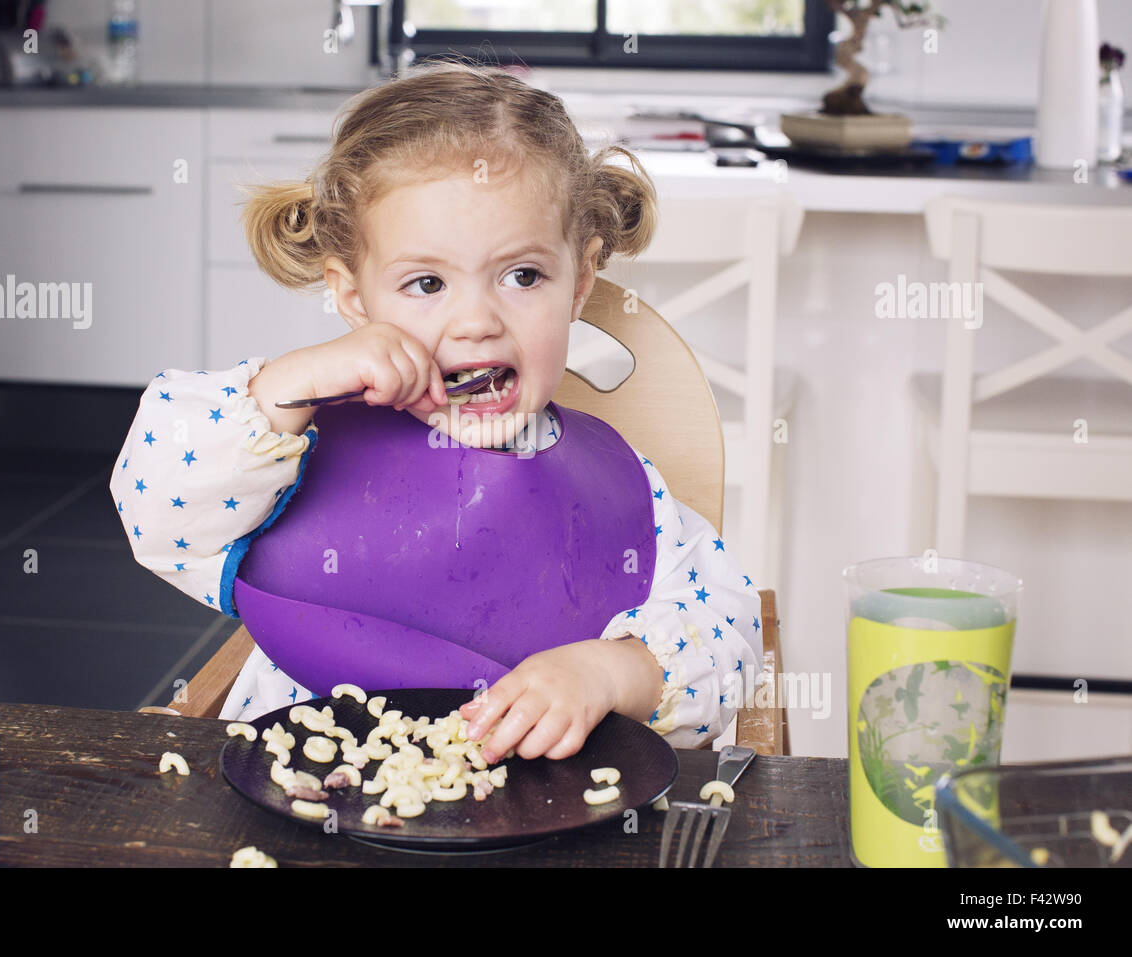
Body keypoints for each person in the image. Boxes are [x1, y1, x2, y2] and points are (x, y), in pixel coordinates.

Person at [110, 60, 762, 761]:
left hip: (544, 817)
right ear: (354, 297)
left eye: (523, 276)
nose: (476, 321)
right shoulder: (286, 449)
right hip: (303, 803)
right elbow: (159, 514)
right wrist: (281, 385)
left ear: (580, 283)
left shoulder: (618, 485)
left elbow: (729, 636)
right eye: (426, 282)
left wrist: (608, 672)